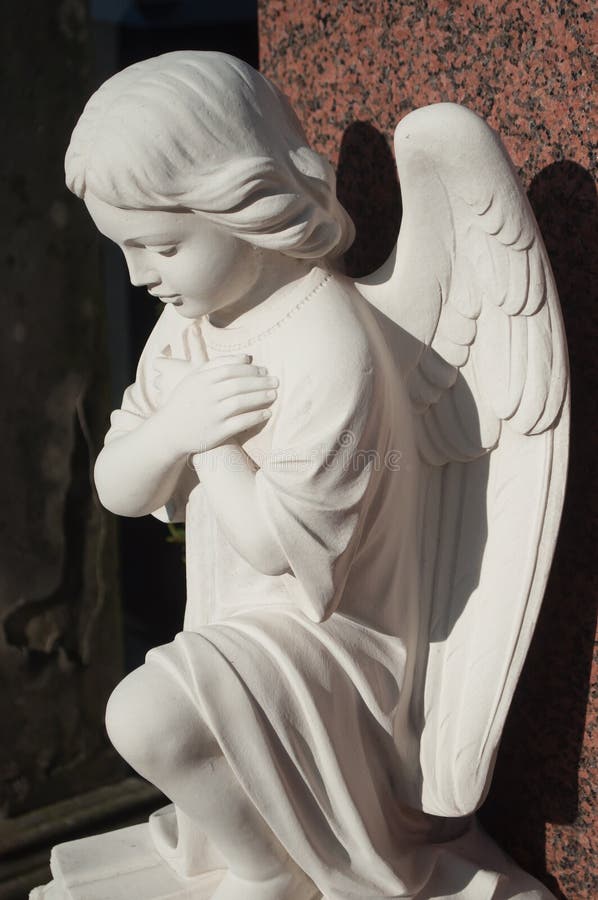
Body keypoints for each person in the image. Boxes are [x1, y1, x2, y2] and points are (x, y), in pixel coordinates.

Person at [66, 51, 433, 900]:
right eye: (122, 247)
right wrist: (176, 434)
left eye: (159, 244)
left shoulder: (327, 342)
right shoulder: (188, 325)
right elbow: (121, 487)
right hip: (236, 623)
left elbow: (276, 545)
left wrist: (209, 445)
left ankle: (275, 875)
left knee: (145, 714)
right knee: (158, 712)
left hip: (332, 638)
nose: (138, 275)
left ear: (249, 204)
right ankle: (265, 864)